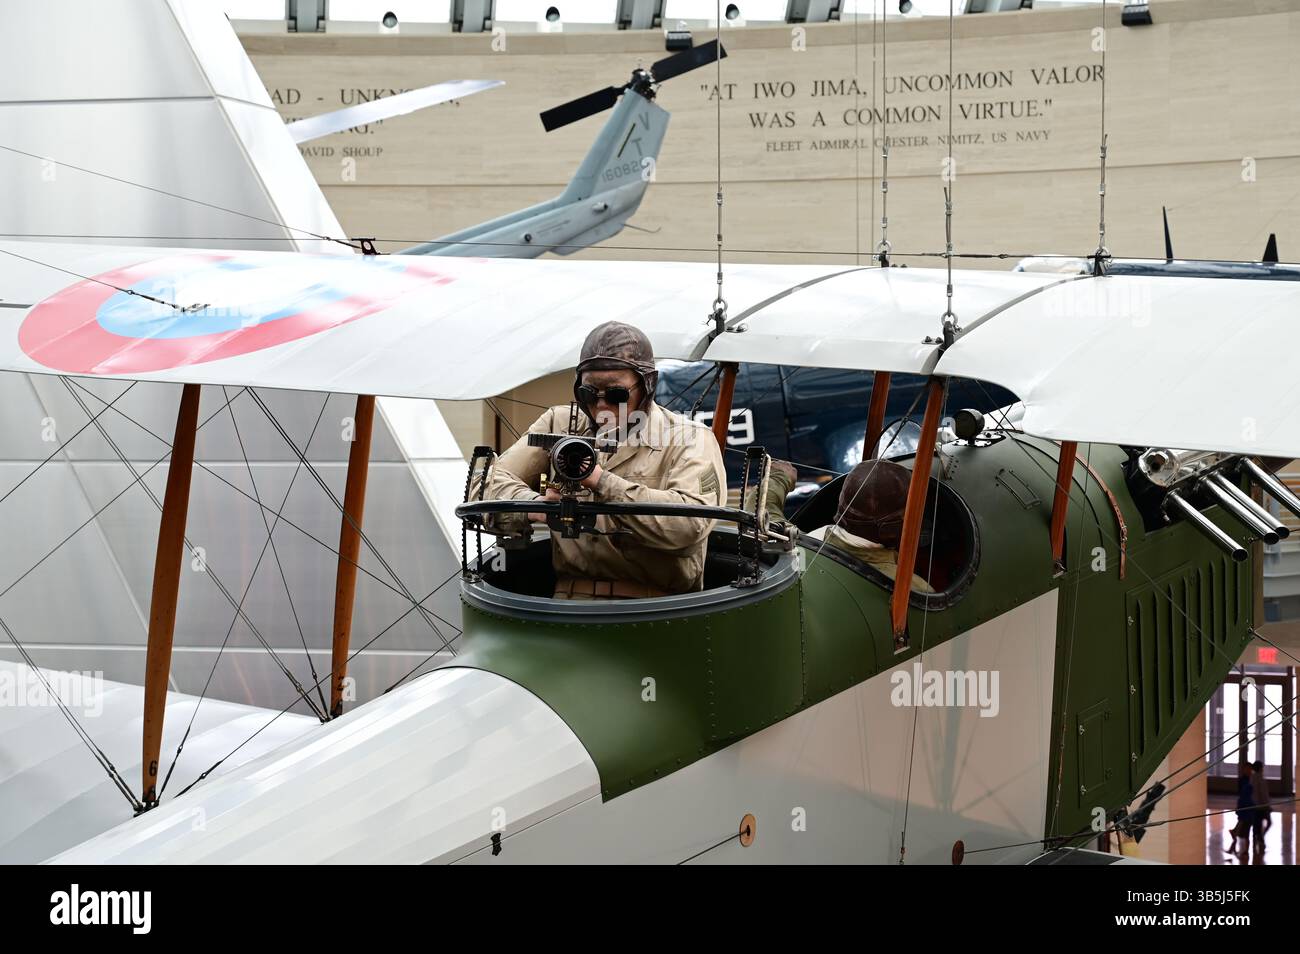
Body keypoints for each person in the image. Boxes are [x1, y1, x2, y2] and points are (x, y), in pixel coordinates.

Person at [484, 321, 727, 599]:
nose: (601, 406)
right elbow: (484, 485)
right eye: (588, 393)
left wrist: (602, 482)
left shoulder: (688, 439)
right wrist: (534, 507)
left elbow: (690, 525)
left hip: (655, 608)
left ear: (647, 385)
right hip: (569, 606)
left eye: (616, 394)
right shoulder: (558, 424)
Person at [757, 457, 934, 593]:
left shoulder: (797, 551)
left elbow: (762, 515)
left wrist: (779, 478)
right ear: (889, 529)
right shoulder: (915, 588)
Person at [1228, 761, 1254, 853]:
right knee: (1243, 821)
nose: (1249, 770)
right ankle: (1236, 834)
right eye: (1247, 769)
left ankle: (1235, 832)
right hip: (1244, 804)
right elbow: (1242, 793)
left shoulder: (1251, 779)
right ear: (1244, 770)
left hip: (1249, 805)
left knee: (1243, 822)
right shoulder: (1243, 780)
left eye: (1250, 769)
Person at [1250, 759, 1272, 849]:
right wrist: (1268, 805)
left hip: (1254, 805)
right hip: (1262, 806)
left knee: (1256, 825)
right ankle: (1261, 837)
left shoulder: (1251, 778)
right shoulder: (1261, 779)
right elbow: (1263, 794)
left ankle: (1255, 842)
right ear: (1260, 768)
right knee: (1268, 822)